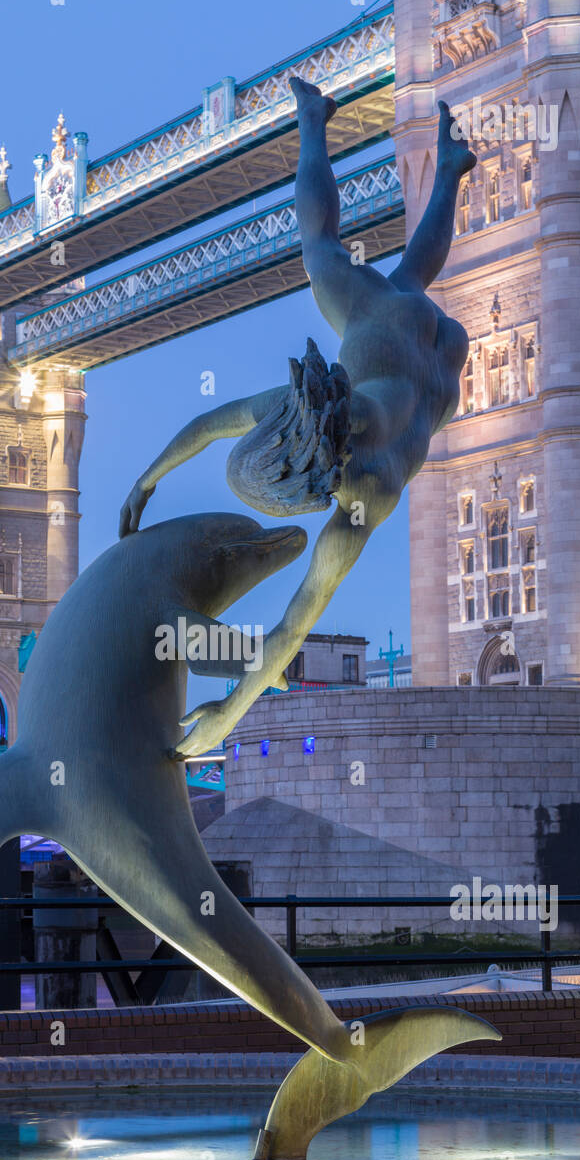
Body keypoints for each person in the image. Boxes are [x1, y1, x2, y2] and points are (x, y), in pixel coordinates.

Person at [119, 80, 476, 757]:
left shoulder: (361, 502)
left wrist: (229, 712)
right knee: (320, 250)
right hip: (393, 338)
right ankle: (315, 119)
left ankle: (448, 166)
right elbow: (214, 421)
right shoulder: (302, 414)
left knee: (401, 276)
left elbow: (290, 627)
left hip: (441, 375)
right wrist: (148, 478)